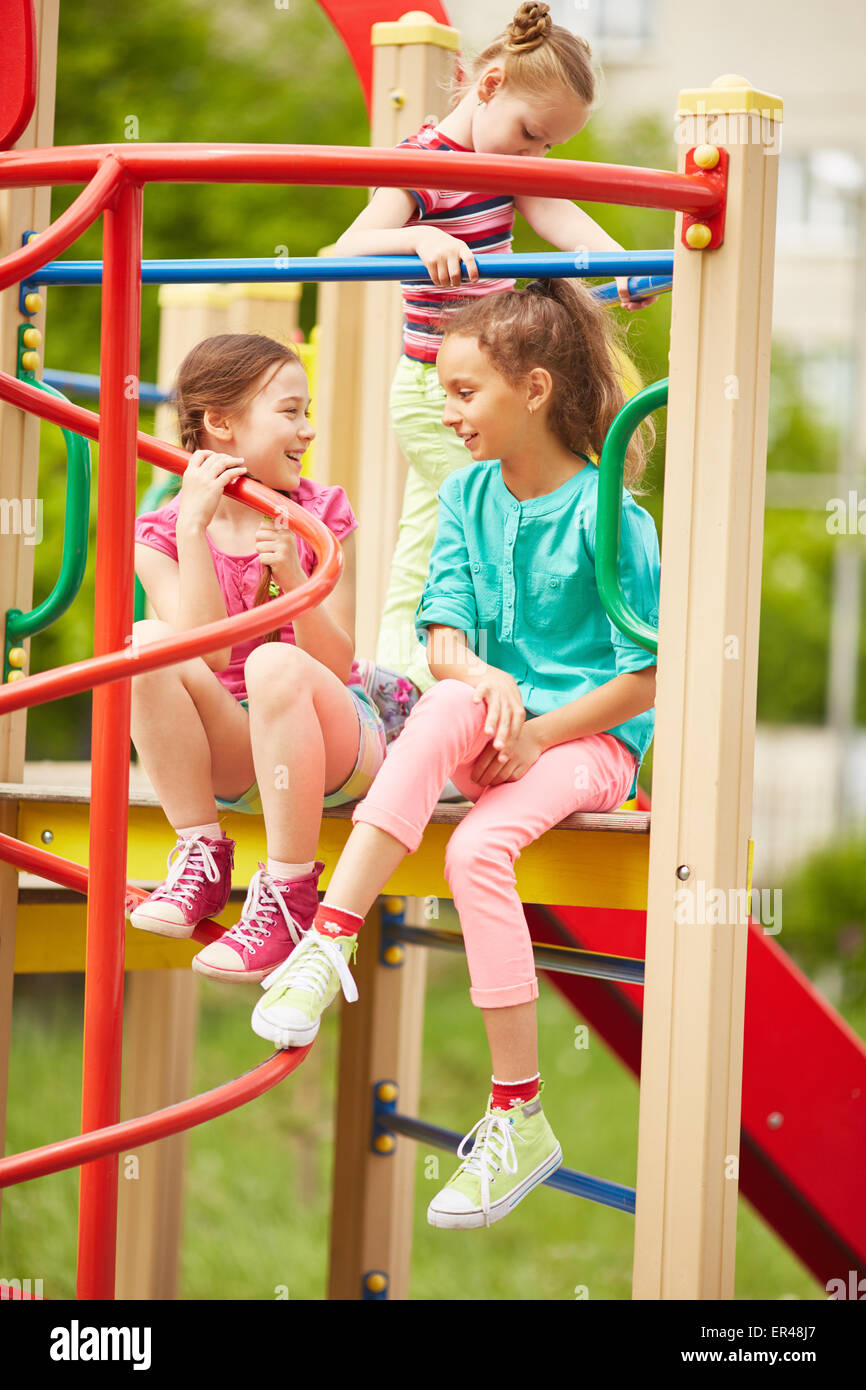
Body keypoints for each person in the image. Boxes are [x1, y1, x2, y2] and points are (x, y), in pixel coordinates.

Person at [248, 278, 660, 1231]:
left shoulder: (613, 520)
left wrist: (540, 729)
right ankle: (328, 940)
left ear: (538, 390)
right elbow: (442, 633)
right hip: (487, 722)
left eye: (465, 392)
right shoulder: (468, 492)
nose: (447, 411)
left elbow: (645, 679)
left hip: (586, 743)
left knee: (477, 851)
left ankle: (519, 1113)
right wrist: (485, 680)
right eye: (443, 389)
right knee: (435, 715)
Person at [336, 0, 657, 705]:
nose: (534, 157)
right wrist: (420, 238)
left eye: (548, 148)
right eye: (530, 136)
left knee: (425, 541)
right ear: (486, 88)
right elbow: (347, 247)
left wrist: (624, 262)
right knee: (484, 530)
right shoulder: (421, 163)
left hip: (481, 389)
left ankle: (390, 687)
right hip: (438, 392)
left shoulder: (504, 160)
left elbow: (558, 212)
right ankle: (477, 691)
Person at [129, 332, 386, 984]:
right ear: (220, 423)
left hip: (333, 743)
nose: (308, 430)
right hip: (242, 748)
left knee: (276, 665)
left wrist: (295, 582)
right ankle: (202, 855)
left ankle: (290, 894)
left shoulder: (319, 513)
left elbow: (336, 659)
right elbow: (208, 652)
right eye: (290, 412)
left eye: (306, 413)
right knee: (146, 641)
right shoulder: (159, 535)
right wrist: (192, 527)